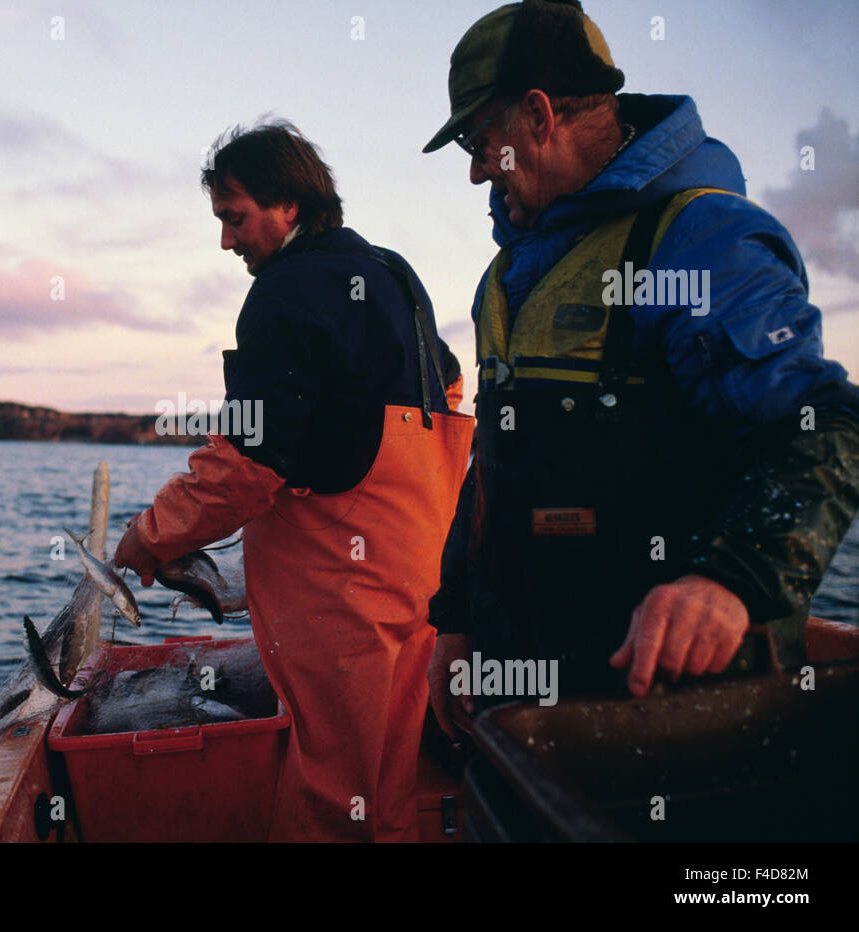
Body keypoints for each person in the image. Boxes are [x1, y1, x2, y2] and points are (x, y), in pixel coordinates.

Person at [419, 0, 859, 731]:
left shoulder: (698, 238)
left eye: (476, 139)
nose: (472, 172)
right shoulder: (506, 276)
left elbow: (821, 425)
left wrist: (730, 581)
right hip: (527, 702)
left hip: (671, 715)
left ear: (537, 115)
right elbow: (492, 467)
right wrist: (455, 620)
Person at [114, 121, 473, 841]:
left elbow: (246, 466)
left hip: (344, 603)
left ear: (289, 206)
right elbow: (451, 388)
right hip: (418, 585)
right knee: (387, 782)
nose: (226, 242)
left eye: (234, 219)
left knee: (337, 799)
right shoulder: (390, 272)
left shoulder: (283, 294)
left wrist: (148, 540)